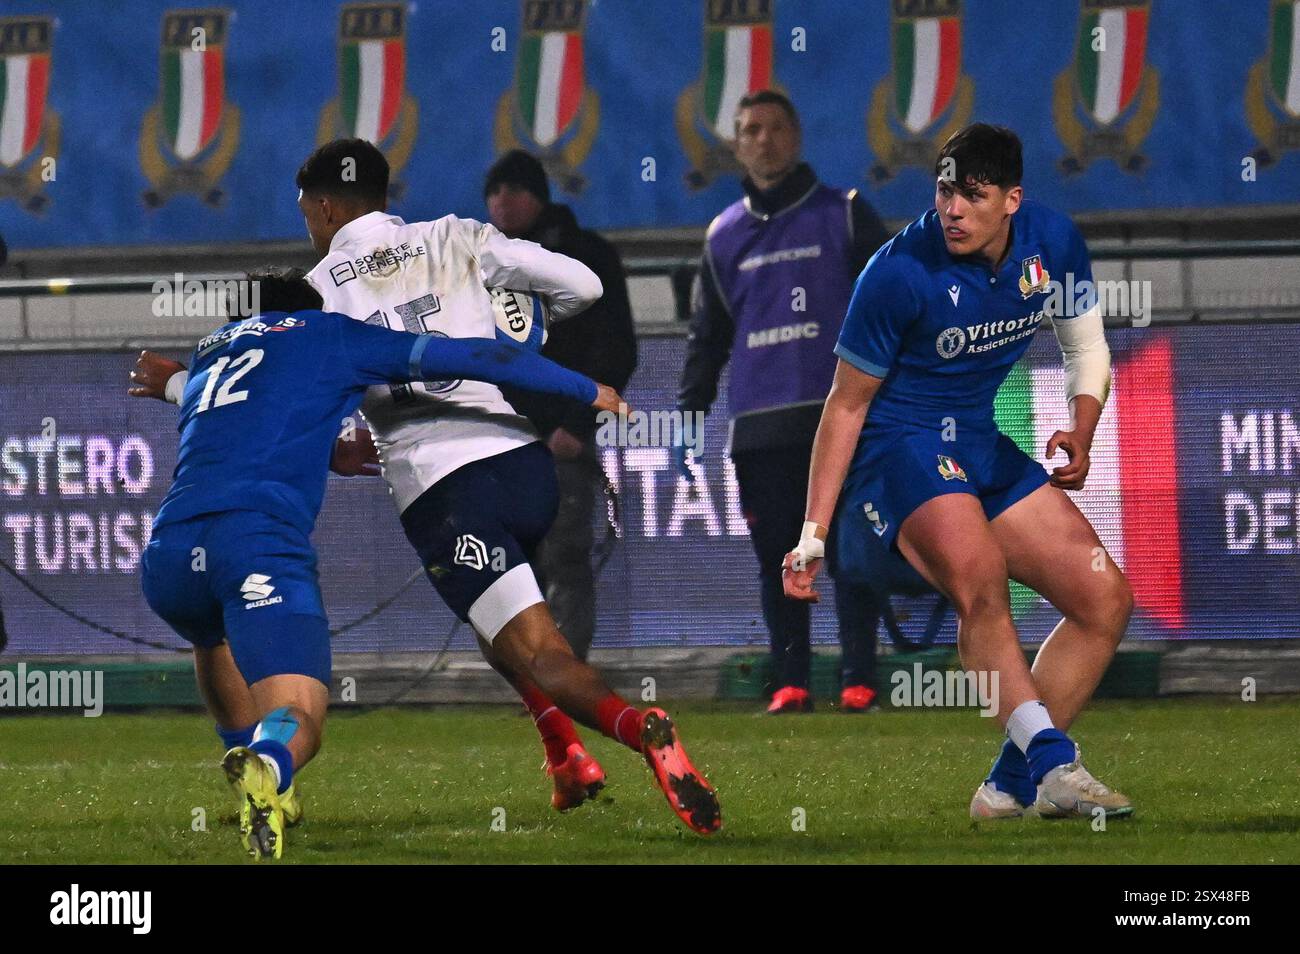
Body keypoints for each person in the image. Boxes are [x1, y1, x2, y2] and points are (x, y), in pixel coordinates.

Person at [130, 268, 624, 857]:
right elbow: (481, 355)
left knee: (212, 637)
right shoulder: (328, 334)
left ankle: (265, 796)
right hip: (254, 542)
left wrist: (331, 450)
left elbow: (244, 410)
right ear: (311, 309)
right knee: (296, 713)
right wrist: (583, 388)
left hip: (169, 554)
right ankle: (268, 762)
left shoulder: (213, 351)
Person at [782, 124, 1135, 820]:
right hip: (898, 448)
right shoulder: (897, 270)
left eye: (972, 196)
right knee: (980, 581)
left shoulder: (1052, 242)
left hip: (976, 442)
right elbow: (846, 408)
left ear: (1012, 199)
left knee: (1105, 602)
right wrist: (812, 533)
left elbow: (1087, 347)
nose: (953, 210)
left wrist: (1083, 429)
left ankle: (1008, 787)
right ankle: (1056, 765)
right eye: (945, 191)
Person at [677, 90, 890, 714]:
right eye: (749, 131)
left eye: (773, 128)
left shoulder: (846, 214)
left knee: (851, 550)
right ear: (737, 147)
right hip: (760, 429)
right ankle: (790, 680)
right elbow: (707, 336)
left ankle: (859, 679)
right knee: (779, 556)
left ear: (795, 137)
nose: (762, 140)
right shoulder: (722, 236)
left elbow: (894, 304)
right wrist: (689, 409)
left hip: (843, 416)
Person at [484, 149, 637, 661]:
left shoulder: (585, 257)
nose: (502, 202)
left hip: (558, 444)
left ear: (538, 197)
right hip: (498, 440)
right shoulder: (483, 269)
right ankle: (524, 677)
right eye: (494, 191)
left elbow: (616, 350)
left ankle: (565, 675)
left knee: (563, 556)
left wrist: (577, 423)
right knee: (503, 564)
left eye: (514, 190)